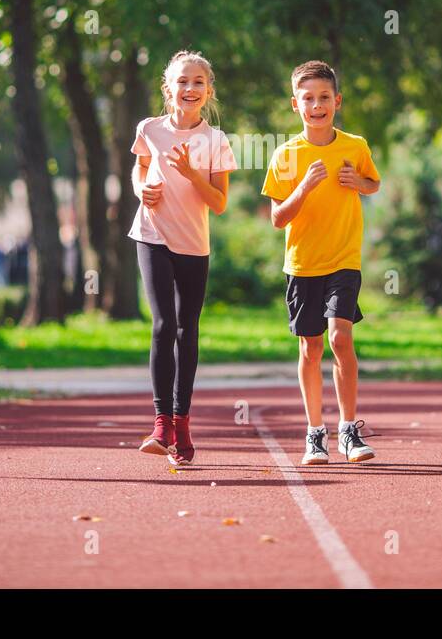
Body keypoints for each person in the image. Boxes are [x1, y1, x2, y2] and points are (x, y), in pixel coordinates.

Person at [262, 60, 381, 465]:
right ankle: (316, 433)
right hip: (302, 264)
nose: (317, 105)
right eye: (308, 98)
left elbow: (373, 182)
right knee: (311, 349)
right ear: (295, 104)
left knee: (339, 338)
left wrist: (358, 184)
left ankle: (349, 429)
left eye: (324, 97)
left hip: (343, 258)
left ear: (337, 101)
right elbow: (279, 217)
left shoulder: (356, 146)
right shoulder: (286, 155)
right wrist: (305, 187)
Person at [129, 50, 237, 465]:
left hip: (193, 242)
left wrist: (193, 174)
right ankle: (161, 422)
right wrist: (141, 189)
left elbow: (220, 202)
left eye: (197, 82)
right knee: (162, 324)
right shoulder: (149, 129)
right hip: (151, 234)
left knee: (185, 330)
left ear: (208, 91)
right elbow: (140, 169)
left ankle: (183, 420)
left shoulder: (215, 141)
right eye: (182, 81)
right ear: (167, 88)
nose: (189, 88)